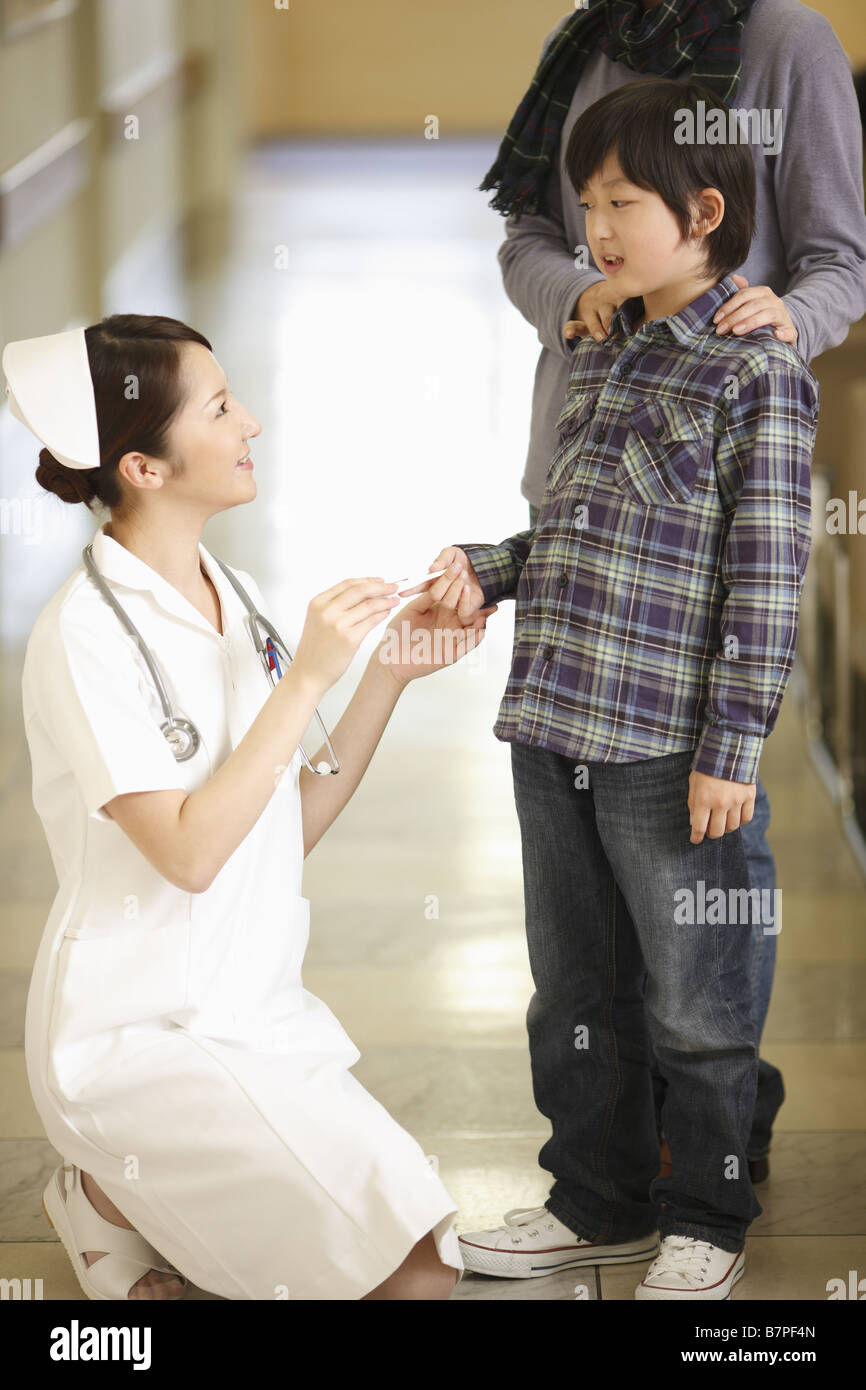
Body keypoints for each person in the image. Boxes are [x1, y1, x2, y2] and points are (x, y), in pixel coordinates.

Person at [406, 77, 820, 1298]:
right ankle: (596, 1203)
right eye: (584, 202)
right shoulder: (600, 347)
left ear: (701, 210)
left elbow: (763, 587)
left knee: (699, 1010)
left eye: (617, 201)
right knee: (573, 991)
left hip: (665, 754)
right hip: (551, 732)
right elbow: (579, 536)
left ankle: (707, 1213)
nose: (592, 228)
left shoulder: (758, 379)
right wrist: (487, 569)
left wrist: (729, 752)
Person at [8, 315, 496, 1300]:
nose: (253, 423)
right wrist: (305, 681)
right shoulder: (83, 637)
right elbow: (189, 856)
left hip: (259, 1014)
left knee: (425, 1252)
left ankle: (116, 1205)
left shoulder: (225, 588)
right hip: (133, 1036)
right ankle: (114, 1183)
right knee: (406, 1284)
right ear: (142, 466)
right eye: (222, 406)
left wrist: (381, 678)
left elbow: (284, 826)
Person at [477, 0, 866, 1188]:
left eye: (620, 207)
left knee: (685, 903)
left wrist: (778, 325)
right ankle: (613, 1168)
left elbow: (835, 259)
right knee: (583, 934)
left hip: (705, 449)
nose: (600, 222)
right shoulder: (581, 41)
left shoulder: (784, 46)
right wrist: (578, 298)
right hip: (591, 444)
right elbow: (525, 237)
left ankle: (708, 1155)